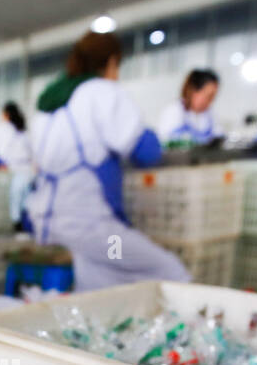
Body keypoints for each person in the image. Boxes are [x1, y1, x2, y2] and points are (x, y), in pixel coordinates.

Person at [25, 31, 190, 291]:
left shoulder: (49, 104)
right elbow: (146, 152)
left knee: (99, 292)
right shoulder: (101, 92)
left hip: (45, 222)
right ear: (112, 62)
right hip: (89, 225)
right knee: (172, 273)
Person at [0, 101, 34, 228]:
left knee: (14, 199)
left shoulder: (2, 128)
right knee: (25, 200)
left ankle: (17, 226)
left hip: (10, 168)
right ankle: (25, 226)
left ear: (6, 114)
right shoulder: (23, 131)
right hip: (27, 169)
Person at [157, 69, 222, 145]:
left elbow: (219, 137)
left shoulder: (210, 115)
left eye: (213, 97)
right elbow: (164, 143)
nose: (210, 101)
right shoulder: (174, 111)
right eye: (208, 96)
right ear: (193, 91)